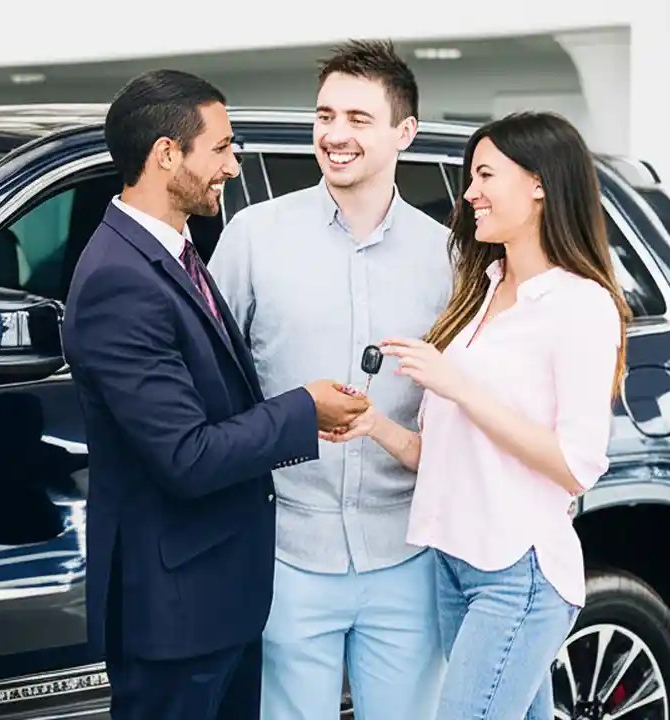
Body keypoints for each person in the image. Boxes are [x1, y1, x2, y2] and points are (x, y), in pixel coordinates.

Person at [61, 69, 370, 720]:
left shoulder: (174, 253)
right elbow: (187, 455)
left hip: (214, 601)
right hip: (174, 615)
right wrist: (303, 412)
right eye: (222, 148)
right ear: (166, 154)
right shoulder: (120, 280)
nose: (232, 166)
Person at [323, 110, 630, 718]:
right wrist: (376, 426)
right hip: (454, 565)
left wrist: (458, 385)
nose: (469, 193)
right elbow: (441, 451)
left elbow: (575, 466)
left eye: (485, 175)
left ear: (539, 183)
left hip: (517, 572)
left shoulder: (579, 305)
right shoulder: (483, 290)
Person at [208, 39, 451, 719]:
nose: (335, 135)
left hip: (409, 555)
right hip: (285, 550)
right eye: (324, 116)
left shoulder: (449, 256)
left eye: (358, 119)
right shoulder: (254, 236)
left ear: (404, 132)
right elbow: (216, 384)